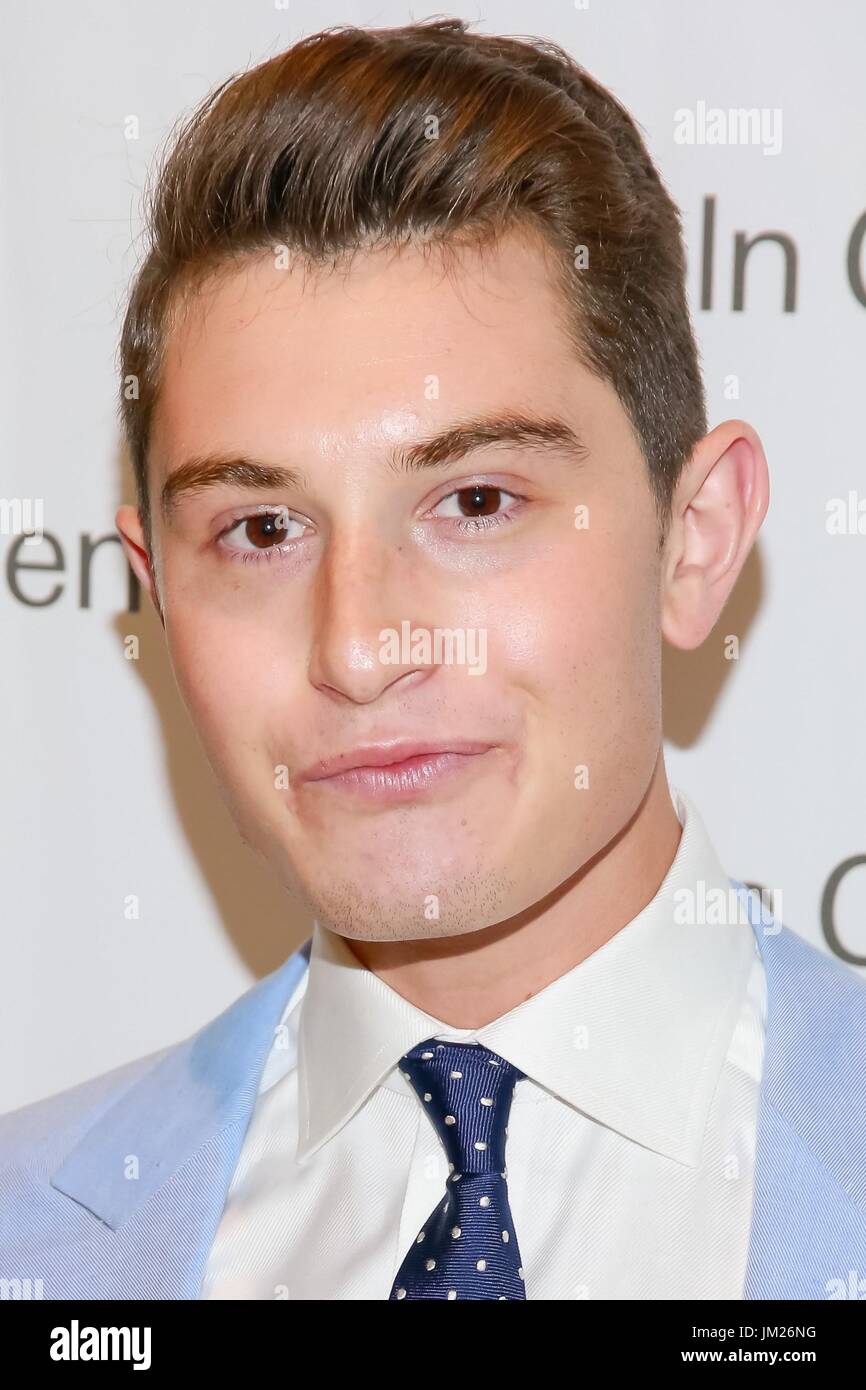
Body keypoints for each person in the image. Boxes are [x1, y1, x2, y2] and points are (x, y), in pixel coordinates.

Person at [2, 17, 865, 1302]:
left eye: (473, 502)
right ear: (158, 592)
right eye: (260, 529)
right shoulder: (33, 1232)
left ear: (692, 543)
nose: (357, 647)